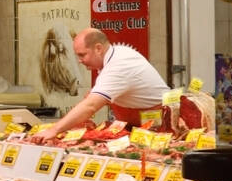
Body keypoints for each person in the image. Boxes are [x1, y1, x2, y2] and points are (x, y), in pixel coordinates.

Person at [30, 27, 170, 140]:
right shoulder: (115, 56)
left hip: (159, 128)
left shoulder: (119, 65)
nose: (79, 60)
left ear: (98, 48)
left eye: (82, 55)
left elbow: (90, 106)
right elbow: (93, 97)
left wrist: (54, 130)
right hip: (138, 128)